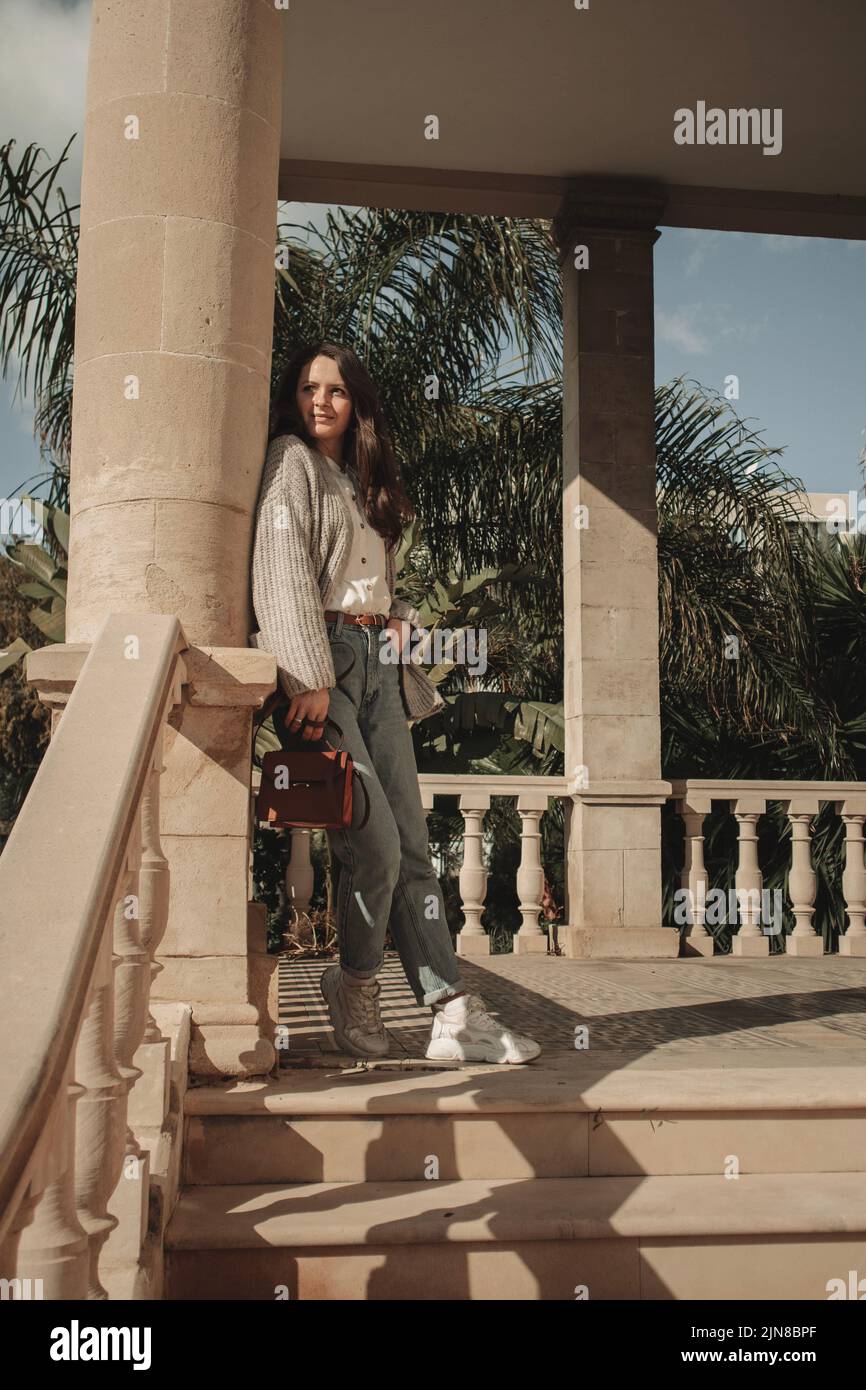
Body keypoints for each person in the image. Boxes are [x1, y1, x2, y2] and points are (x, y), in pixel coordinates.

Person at [250, 341, 541, 1064]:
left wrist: (399, 610)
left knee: (413, 848)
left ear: (357, 404)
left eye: (338, 390)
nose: (322, 401)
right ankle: (351, 984)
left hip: (377, 659)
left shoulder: (357, 478)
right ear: (294, 396)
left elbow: (363, 578)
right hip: (326, 666)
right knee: (373, 844)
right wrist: (305, 673)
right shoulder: (290, 459)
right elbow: (280, 567)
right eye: (311, 388)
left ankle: (449, 1012)